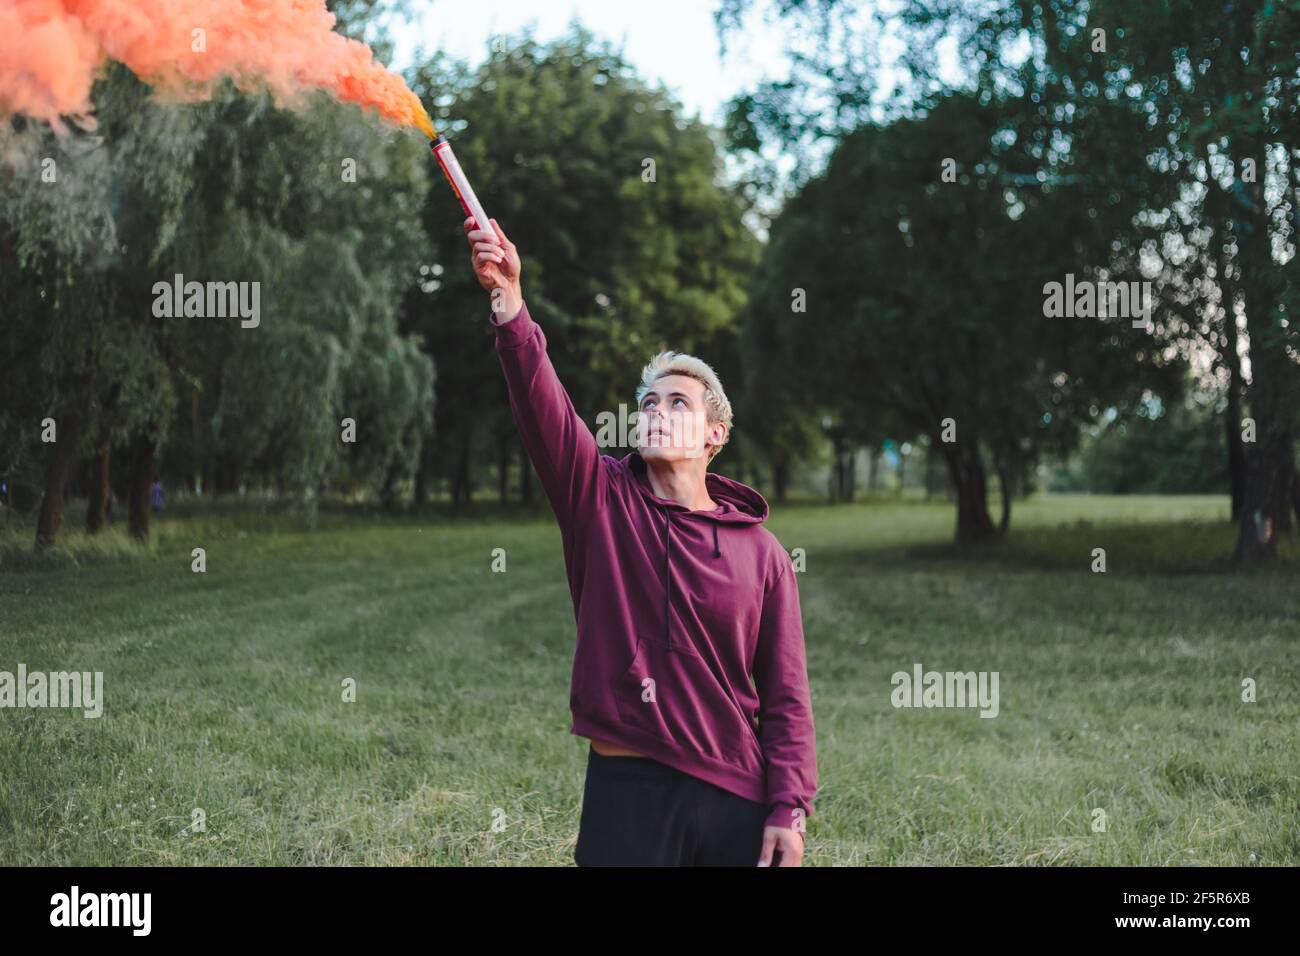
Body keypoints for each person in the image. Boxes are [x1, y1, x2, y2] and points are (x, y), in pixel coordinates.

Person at [465, 217, 816, 867]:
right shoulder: (599, 499)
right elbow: (540, 400)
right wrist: (510, 301)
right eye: (647, 402)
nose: (655, 411)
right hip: (628, 792)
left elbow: (787, 693)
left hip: (733, 797)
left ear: (716, 433)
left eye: (677, 403)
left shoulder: (764, 554)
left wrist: (789, 809)